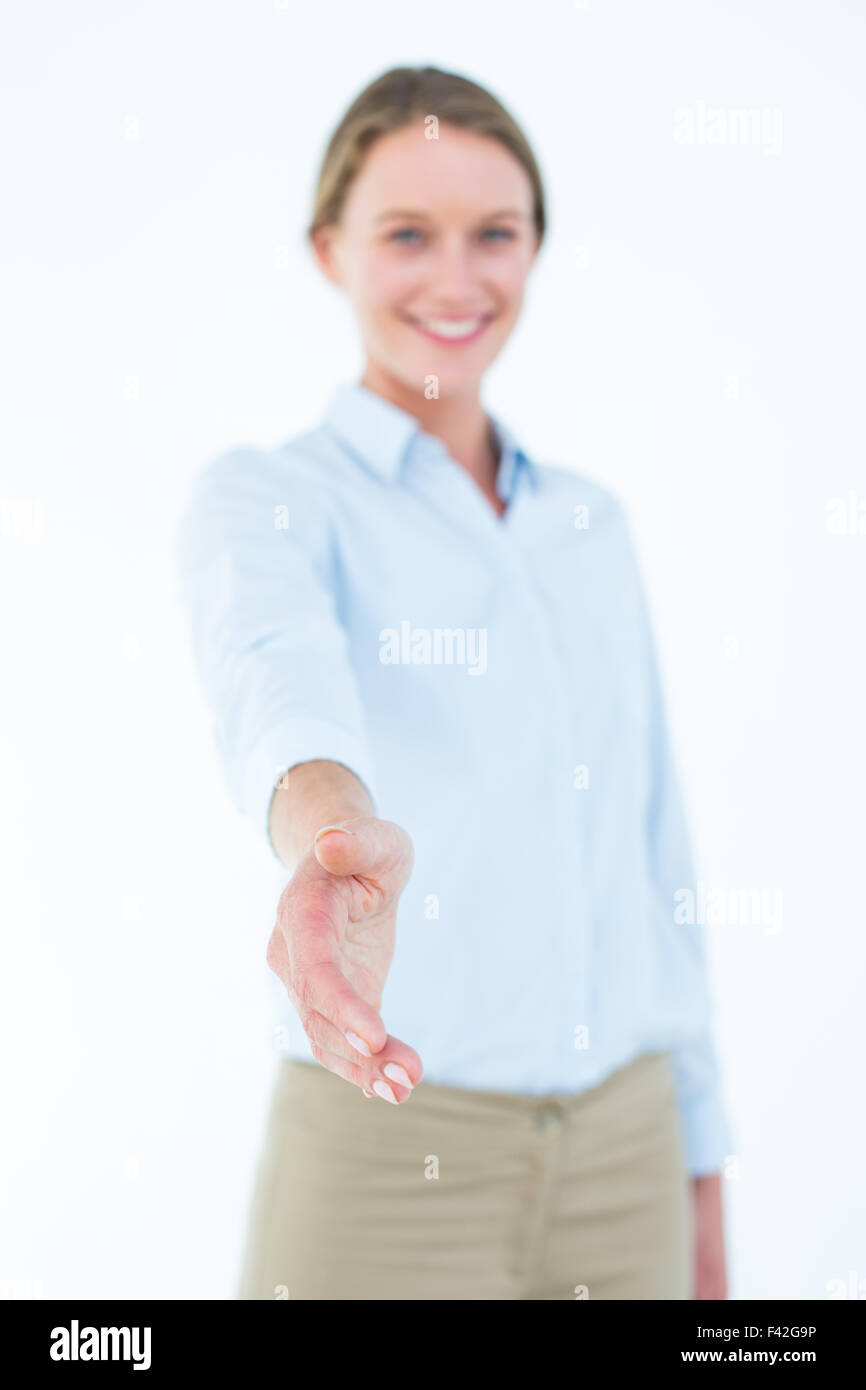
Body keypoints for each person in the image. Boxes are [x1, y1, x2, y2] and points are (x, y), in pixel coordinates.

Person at [176, 64, 734, 1300]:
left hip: (627, 1145)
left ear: (535, 249)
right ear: (329, 249)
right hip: (389, 1146)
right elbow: (277, 678)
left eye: (495, 234)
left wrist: (698, 1165)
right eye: (406, 234)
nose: (455, 278)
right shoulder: (268, 497)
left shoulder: (592, 523)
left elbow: (657, 853)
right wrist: (331, 838)